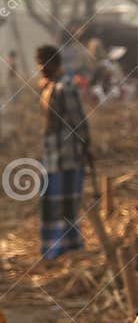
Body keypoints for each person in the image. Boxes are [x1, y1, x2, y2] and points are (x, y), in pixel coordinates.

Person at [35, 45, 91, 260]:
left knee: (67, 203)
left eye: (45, 64)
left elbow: (79, 121)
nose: (42, 69)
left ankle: (70, 248)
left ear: (55, 63)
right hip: (50, 156)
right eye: (39, 65)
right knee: (51, 203)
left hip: (68, 156)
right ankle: (52, 249)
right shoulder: (47, 87)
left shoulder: (66, 86)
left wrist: (86, 146)